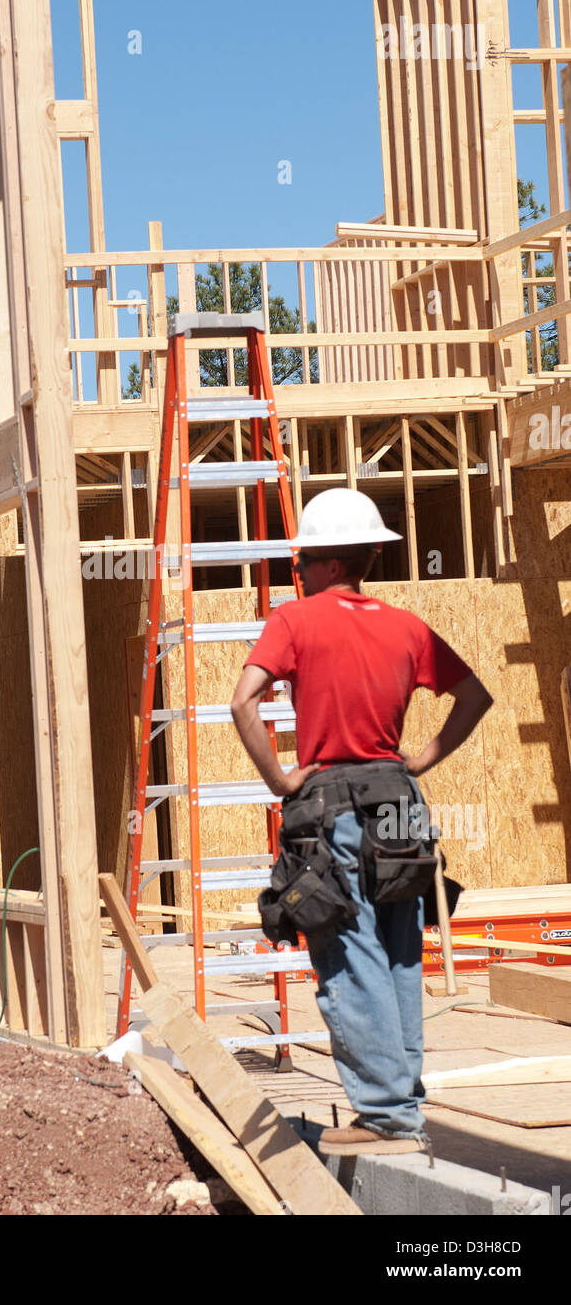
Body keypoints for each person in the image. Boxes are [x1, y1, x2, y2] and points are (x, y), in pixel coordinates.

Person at [230, 488, 493, 1155]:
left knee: (347, 952)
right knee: (401, 950)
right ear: (370, 555)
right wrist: (421, 762)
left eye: (300, 565)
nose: (299, 576)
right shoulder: (406, 627)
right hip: (400, 801)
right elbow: (475, 696)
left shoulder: (294, 621)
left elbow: (244, 703)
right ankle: (402, 1106)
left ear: (321, 564)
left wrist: (280, 779)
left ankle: (384, 1117)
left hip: (331, 804)